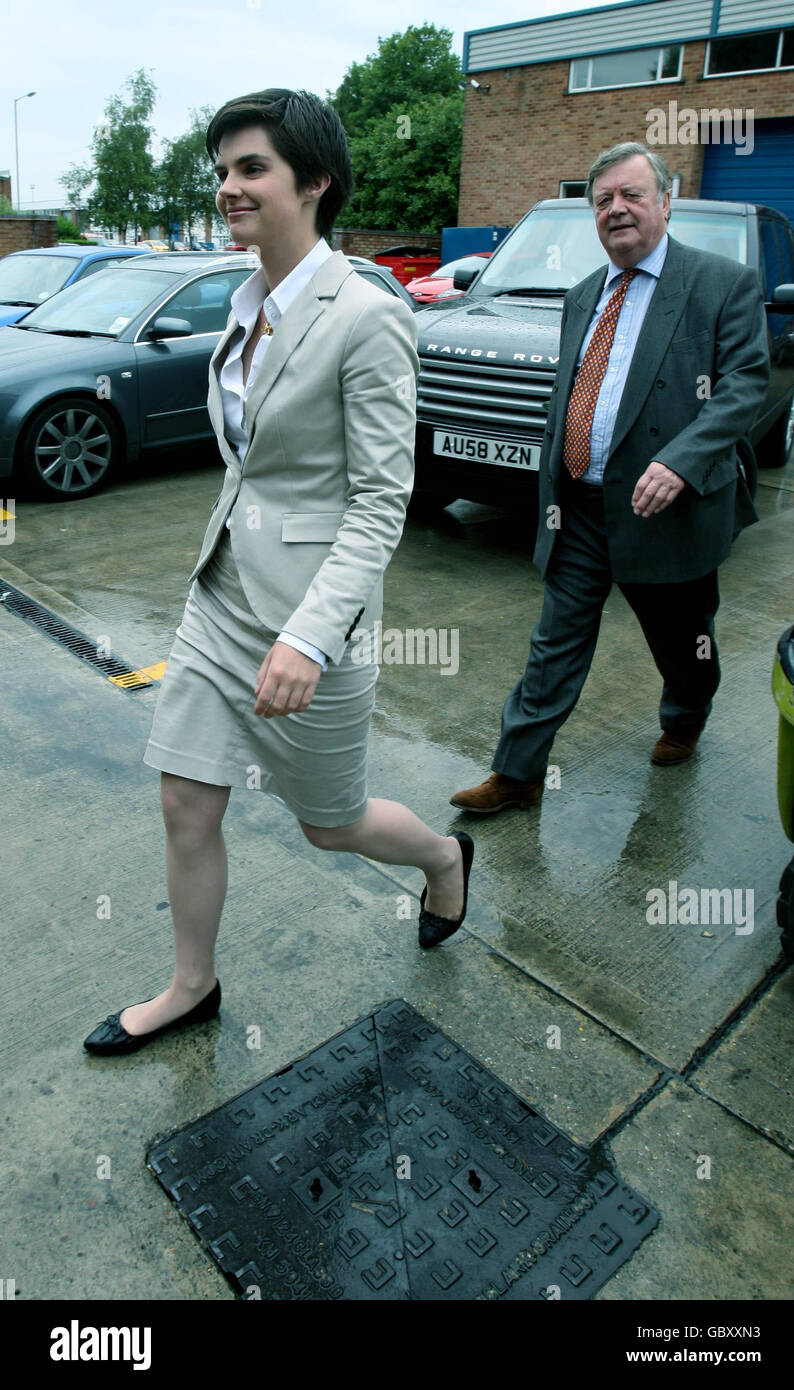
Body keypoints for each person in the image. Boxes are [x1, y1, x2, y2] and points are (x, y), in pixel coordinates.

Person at [84, 89, 474, 1056]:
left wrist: (309, 633)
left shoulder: (367, 317)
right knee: (184, 796)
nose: (228, 188)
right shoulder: (243, 297)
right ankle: (191, 986)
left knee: (330, 825)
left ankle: (440, 856)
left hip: (311, 621)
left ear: (315, 180)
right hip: (219, 595)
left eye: (250, 167)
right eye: (222, 170)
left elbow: (382, 499)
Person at [451, 141, 769, 816]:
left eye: (630, 194)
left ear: (664, 201)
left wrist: (683, 458)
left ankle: (684, 716)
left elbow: (743, 385)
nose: (616, 209)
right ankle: (517, 772)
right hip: (578, 508)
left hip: (665, 510)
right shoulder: (581, 296)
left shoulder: (720, 284)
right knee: (554, 642)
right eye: (602, 201)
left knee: (682, 642)